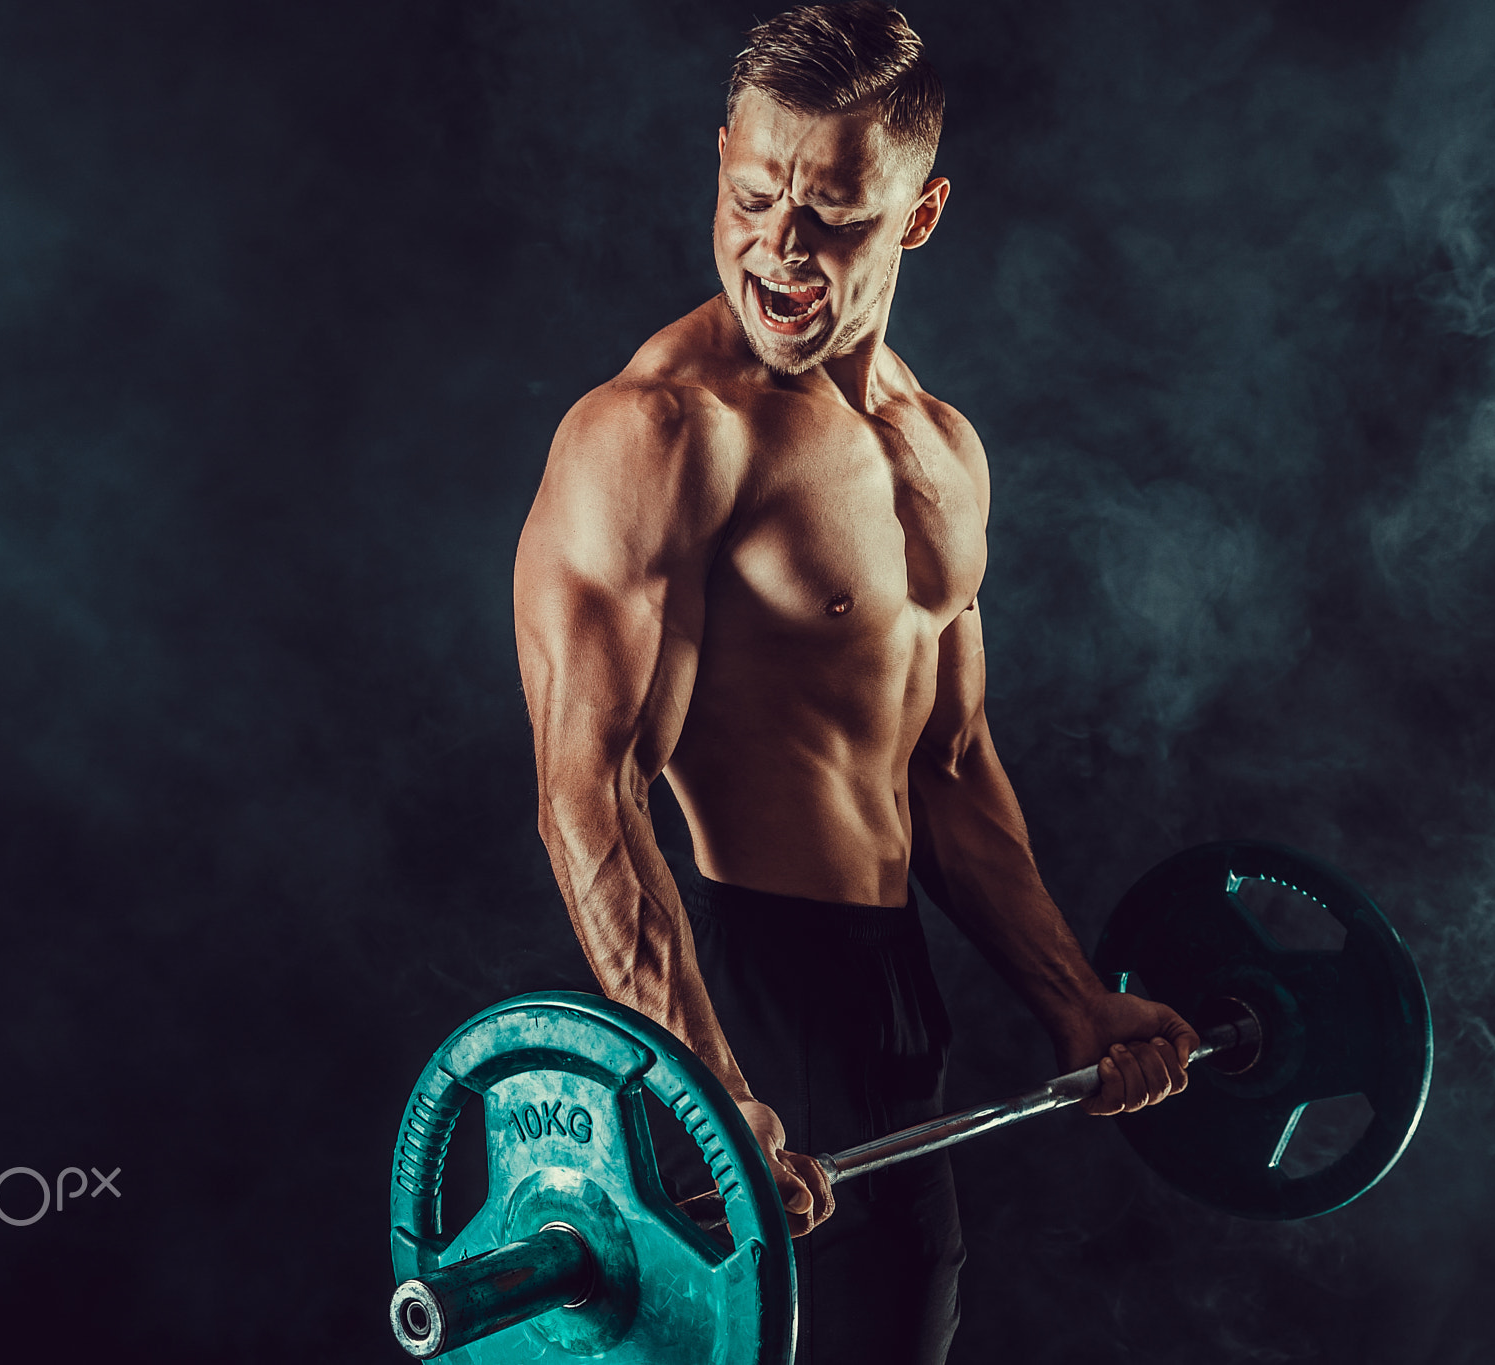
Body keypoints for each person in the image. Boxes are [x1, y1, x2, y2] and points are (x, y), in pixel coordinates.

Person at [512, 4, 1198, 1361]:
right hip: (737, 1001)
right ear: (722, 156)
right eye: (753, 194)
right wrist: (708, 1085)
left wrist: (1071, 996)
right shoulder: (661, 435)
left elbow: (946, 765)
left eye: (831, 214)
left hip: (893, 1013)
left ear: (919, 215)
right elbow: (588, 796)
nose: (779, 247)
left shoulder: (940, 450)